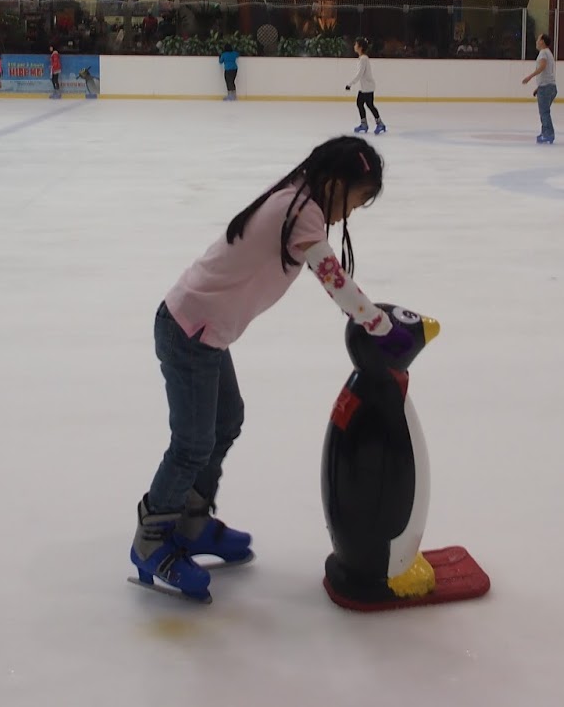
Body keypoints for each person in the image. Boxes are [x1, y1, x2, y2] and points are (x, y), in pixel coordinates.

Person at [131, 137, 415, 602]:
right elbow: (333, 280)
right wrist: (380, 325)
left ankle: (193, 521)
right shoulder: (300, 210)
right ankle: (152, 538)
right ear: (337, 183)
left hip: (204, 331)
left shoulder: (299, 197)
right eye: (356, 202)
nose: (350, 214)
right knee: (193, 442)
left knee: (226, 421)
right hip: (189, 331)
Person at [521, 33, 557, 144]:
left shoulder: (543, 53)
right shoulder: (548, 53)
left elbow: (542, 67)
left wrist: (529, 77)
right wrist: (538, 87)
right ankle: (545, 132)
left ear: (542, 41)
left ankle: (549, 134)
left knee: (544, 112)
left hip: (546, 87)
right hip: (549, 87)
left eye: (538, 39)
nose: (536, 41)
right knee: (544, 112)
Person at [346, 37, 385, 134]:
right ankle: (364, 124)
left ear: (360, 47)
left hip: (368, 87)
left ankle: (380, 124)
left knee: (369, 105)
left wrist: (350, 84)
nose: (354, 46)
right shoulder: (362, 58)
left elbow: (360, 74)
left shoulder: (363, 59)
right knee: (360, 103)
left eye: (356, 44)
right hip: (364, 87)